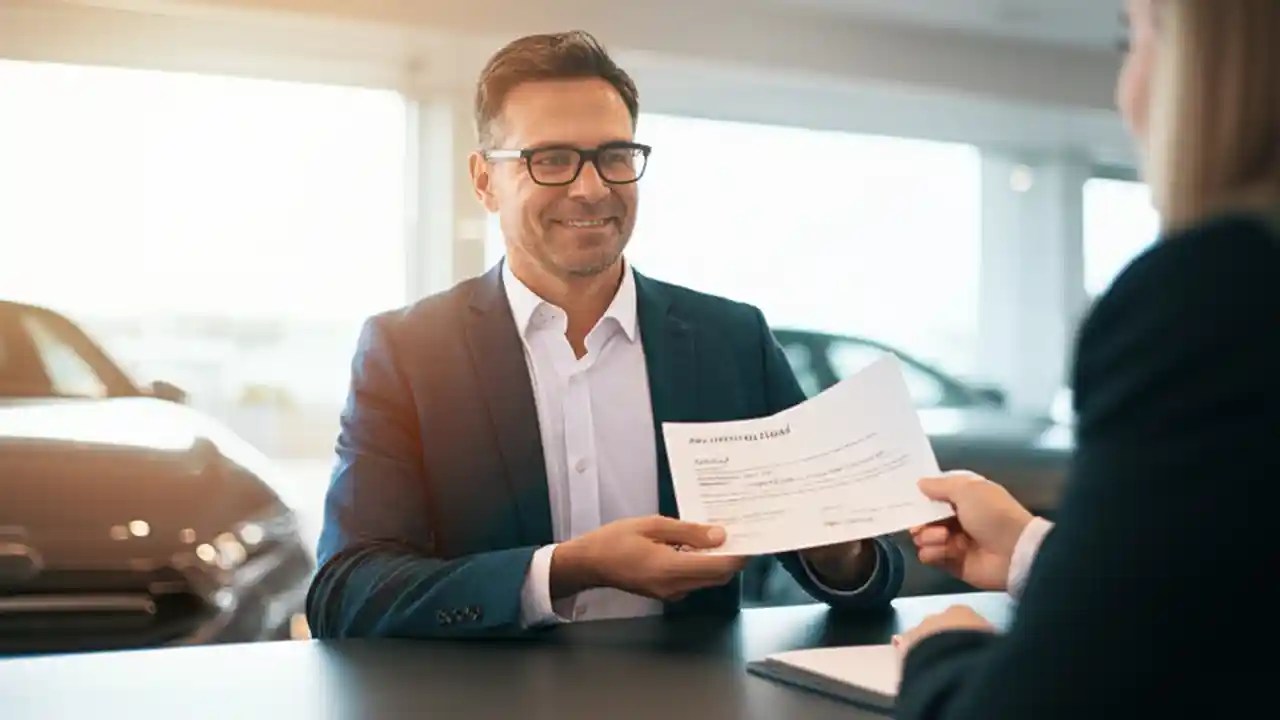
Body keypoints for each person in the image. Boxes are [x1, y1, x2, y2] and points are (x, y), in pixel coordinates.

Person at [306, 30, 905, 639]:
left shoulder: (731, 341)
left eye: (614, 156)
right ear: (484, 180)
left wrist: (841, 554)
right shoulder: (408, 353)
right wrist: (565, 569)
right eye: (552, 159)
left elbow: (861, 574)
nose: (591, 188)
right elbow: (347, 592)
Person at [891, 0, 1280, 716]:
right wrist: (1036, 552)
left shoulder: (1215, 295)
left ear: (1212, 66)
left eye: (1136, 38)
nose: (1123, 88)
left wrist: (938, 654)